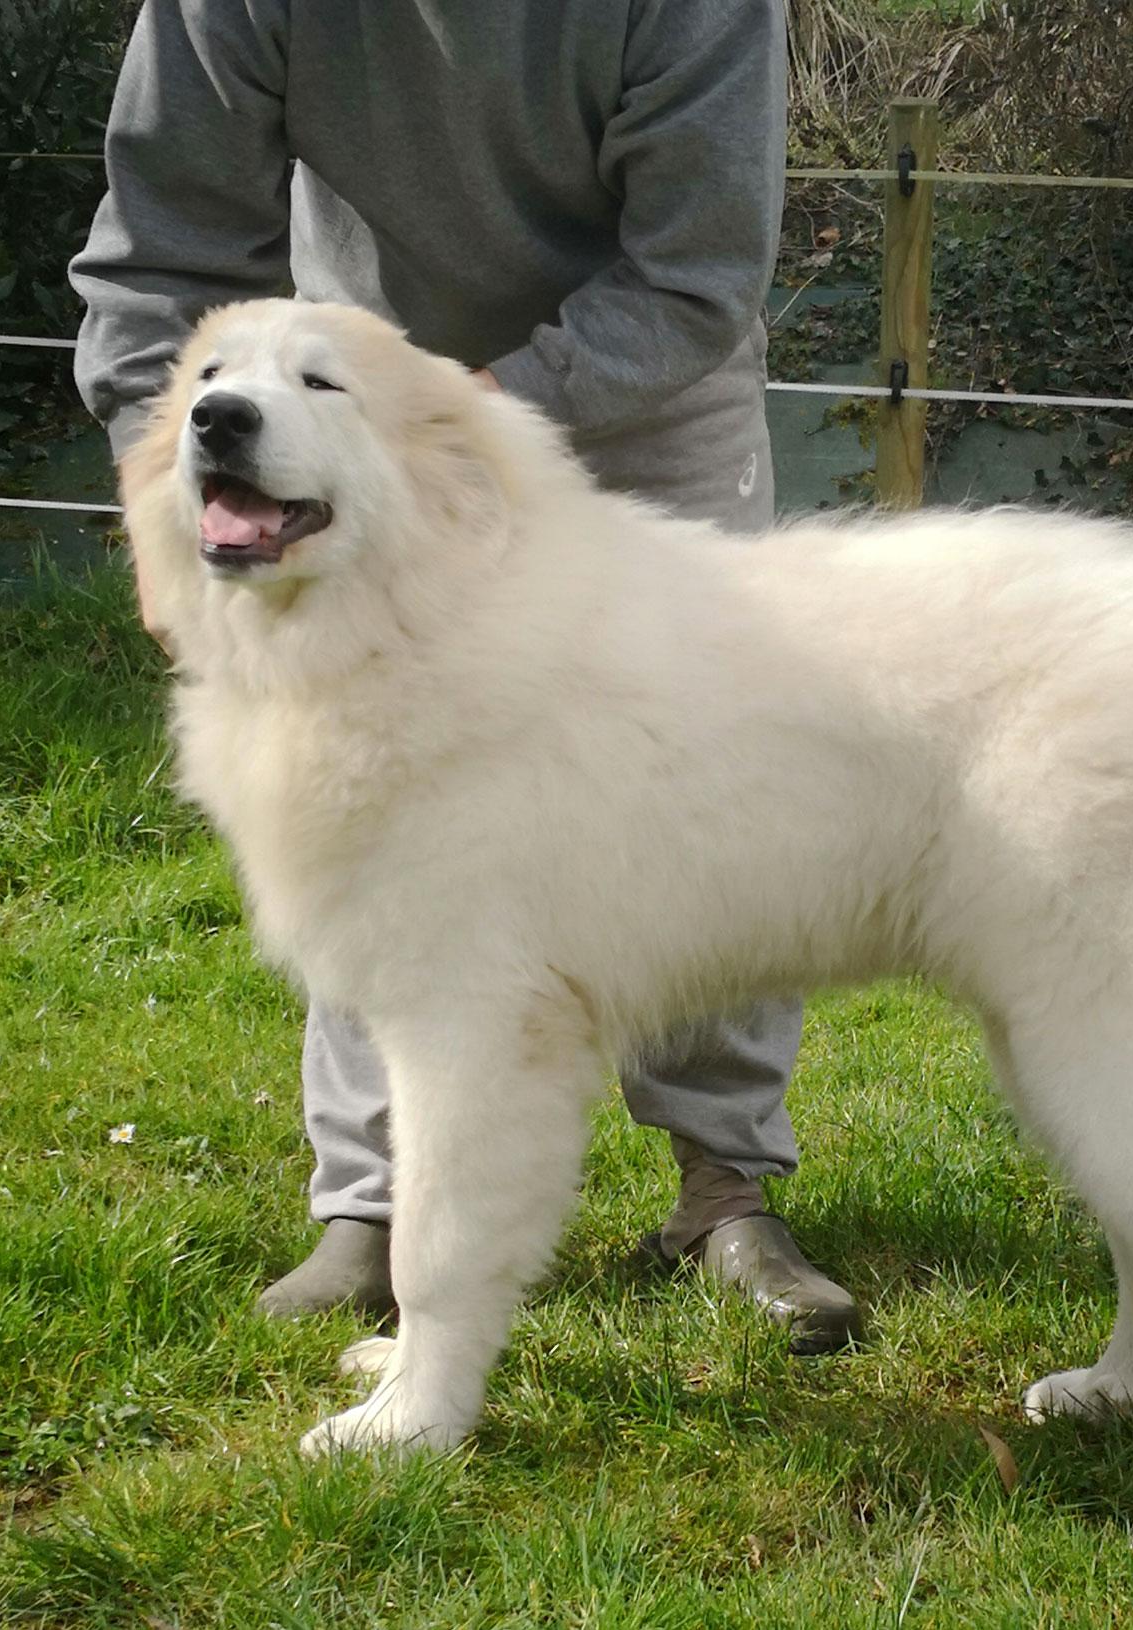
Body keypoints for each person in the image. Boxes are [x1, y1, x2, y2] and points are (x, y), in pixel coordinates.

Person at [69, 0, 861, 1352]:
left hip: (645, 389)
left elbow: (696, 265)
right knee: (362, 788)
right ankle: (374, 1206)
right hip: (341, 403)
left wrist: (468, 426)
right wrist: (177, 480)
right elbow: (165, 244)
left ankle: (726, 1186)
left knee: (709, 784)